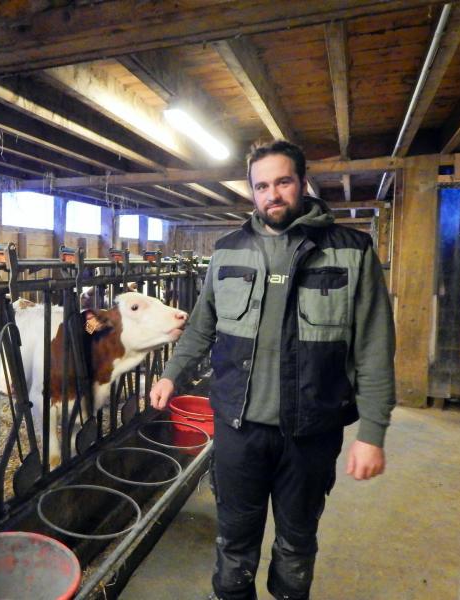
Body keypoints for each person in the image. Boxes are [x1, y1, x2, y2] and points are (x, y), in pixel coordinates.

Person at [150, 139, 395, 600]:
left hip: (311, 431)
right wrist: (171, 374)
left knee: (296, 544)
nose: (272, 194)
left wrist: (373, 432)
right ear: (251, 191)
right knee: (234, 544)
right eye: (262, 186)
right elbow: (202, 326)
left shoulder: (352, 251)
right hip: (238, 430)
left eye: (283, 182)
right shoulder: (227, 251)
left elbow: (375, 349)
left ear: (302, 183)